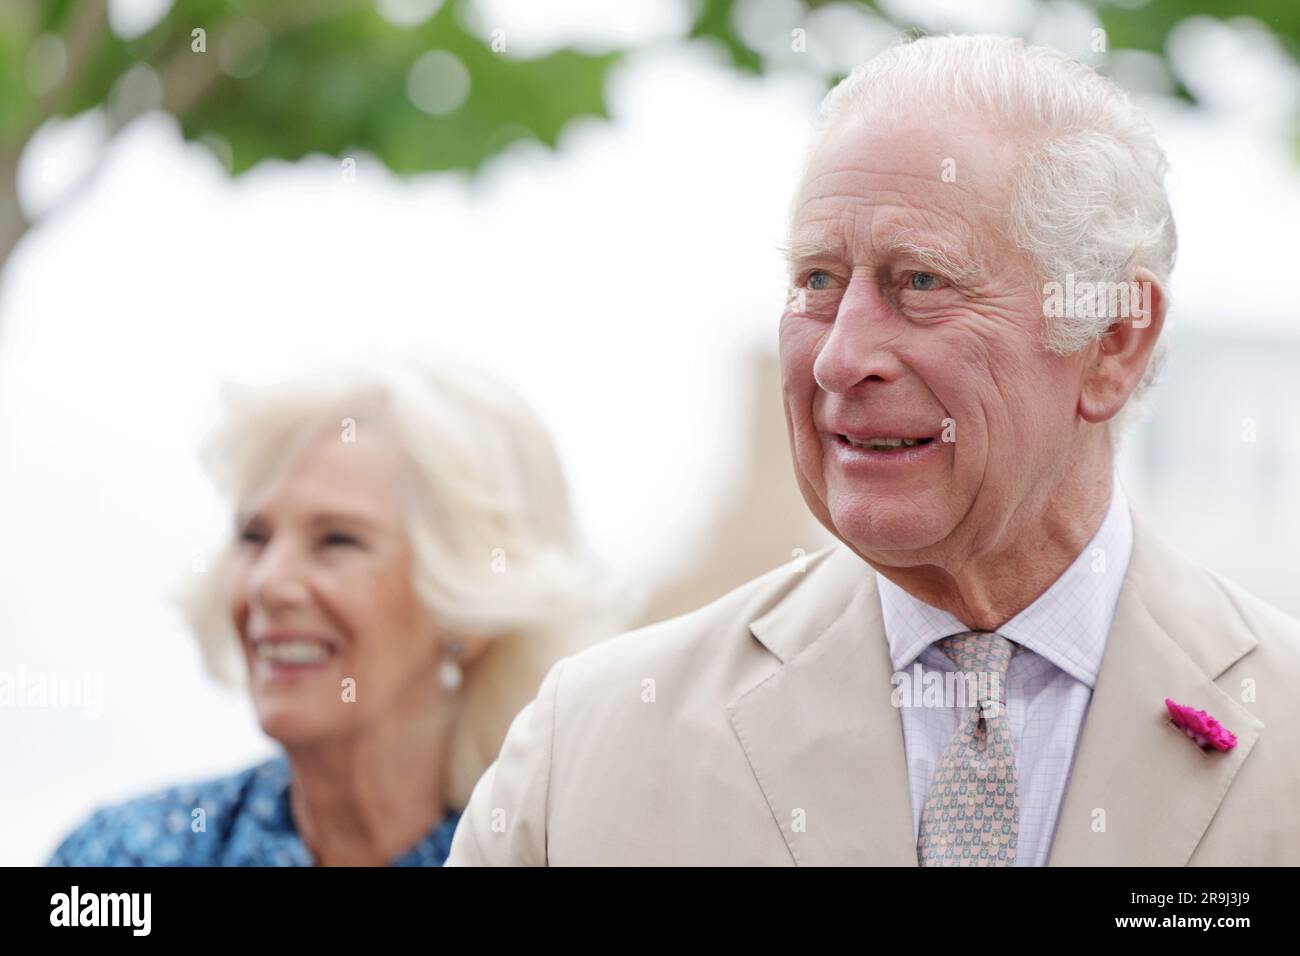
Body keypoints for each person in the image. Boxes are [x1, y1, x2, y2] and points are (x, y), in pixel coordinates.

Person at [446, 34, 1300, 866]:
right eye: (817, 281)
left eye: (921, 281)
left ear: (1112, 340)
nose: (839, 357)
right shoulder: (586, 751)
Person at [49, 355, 621, 866]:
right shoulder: (120, 859)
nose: (269, 582)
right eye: (253, 537)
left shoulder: (566, 855)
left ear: (467, 613)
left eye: (337, 540)